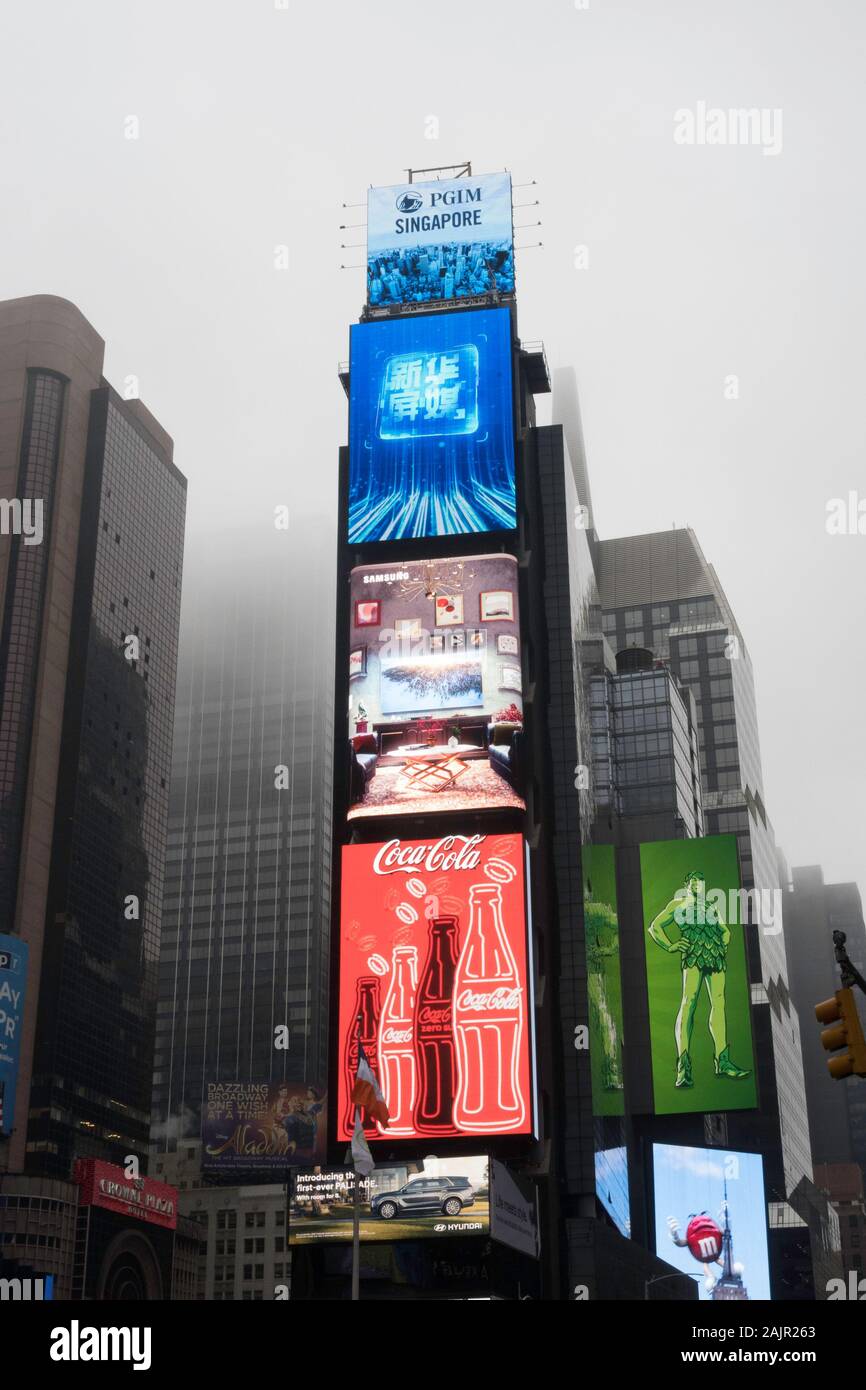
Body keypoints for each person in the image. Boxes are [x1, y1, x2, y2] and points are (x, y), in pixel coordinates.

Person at [648, 869, 751, 1089]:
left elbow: (724, 930)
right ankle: (683, 1066)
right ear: (686, 883)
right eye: (693, 880)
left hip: (714, 953)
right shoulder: (677, 904)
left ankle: (722, 1060)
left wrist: (724, 940)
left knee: (719, 1001)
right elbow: (654, 926)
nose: (697, 884)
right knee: (689, 1001)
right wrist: (671, 945)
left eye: (700, 881)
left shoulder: (712, 906)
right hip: (693, 952)